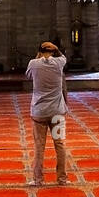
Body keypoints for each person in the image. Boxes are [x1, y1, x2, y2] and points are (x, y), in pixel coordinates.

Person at [25, 42, 69, 186]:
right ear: (53, 51)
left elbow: (28, 76)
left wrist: (38, 56)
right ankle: (62, 178)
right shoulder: (59, 63)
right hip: (57, 113)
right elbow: (63, 57)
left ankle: (38, 180)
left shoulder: (34, 63)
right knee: (60, 144)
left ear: (39, 51)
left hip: (40, 113)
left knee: (39, 146)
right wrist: (56, 49)